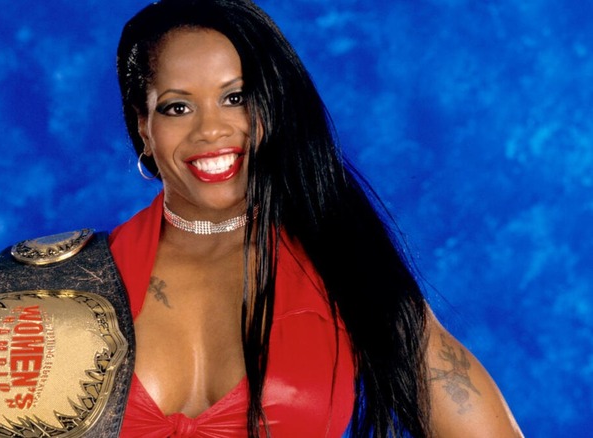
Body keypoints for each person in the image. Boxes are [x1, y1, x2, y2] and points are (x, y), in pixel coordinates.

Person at [111, 0, 523, 437]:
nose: (211, 129)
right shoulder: (78, 277)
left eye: (236, 98)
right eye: (177, 107)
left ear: (275, 107)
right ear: (143, 127)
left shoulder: (348, 273)